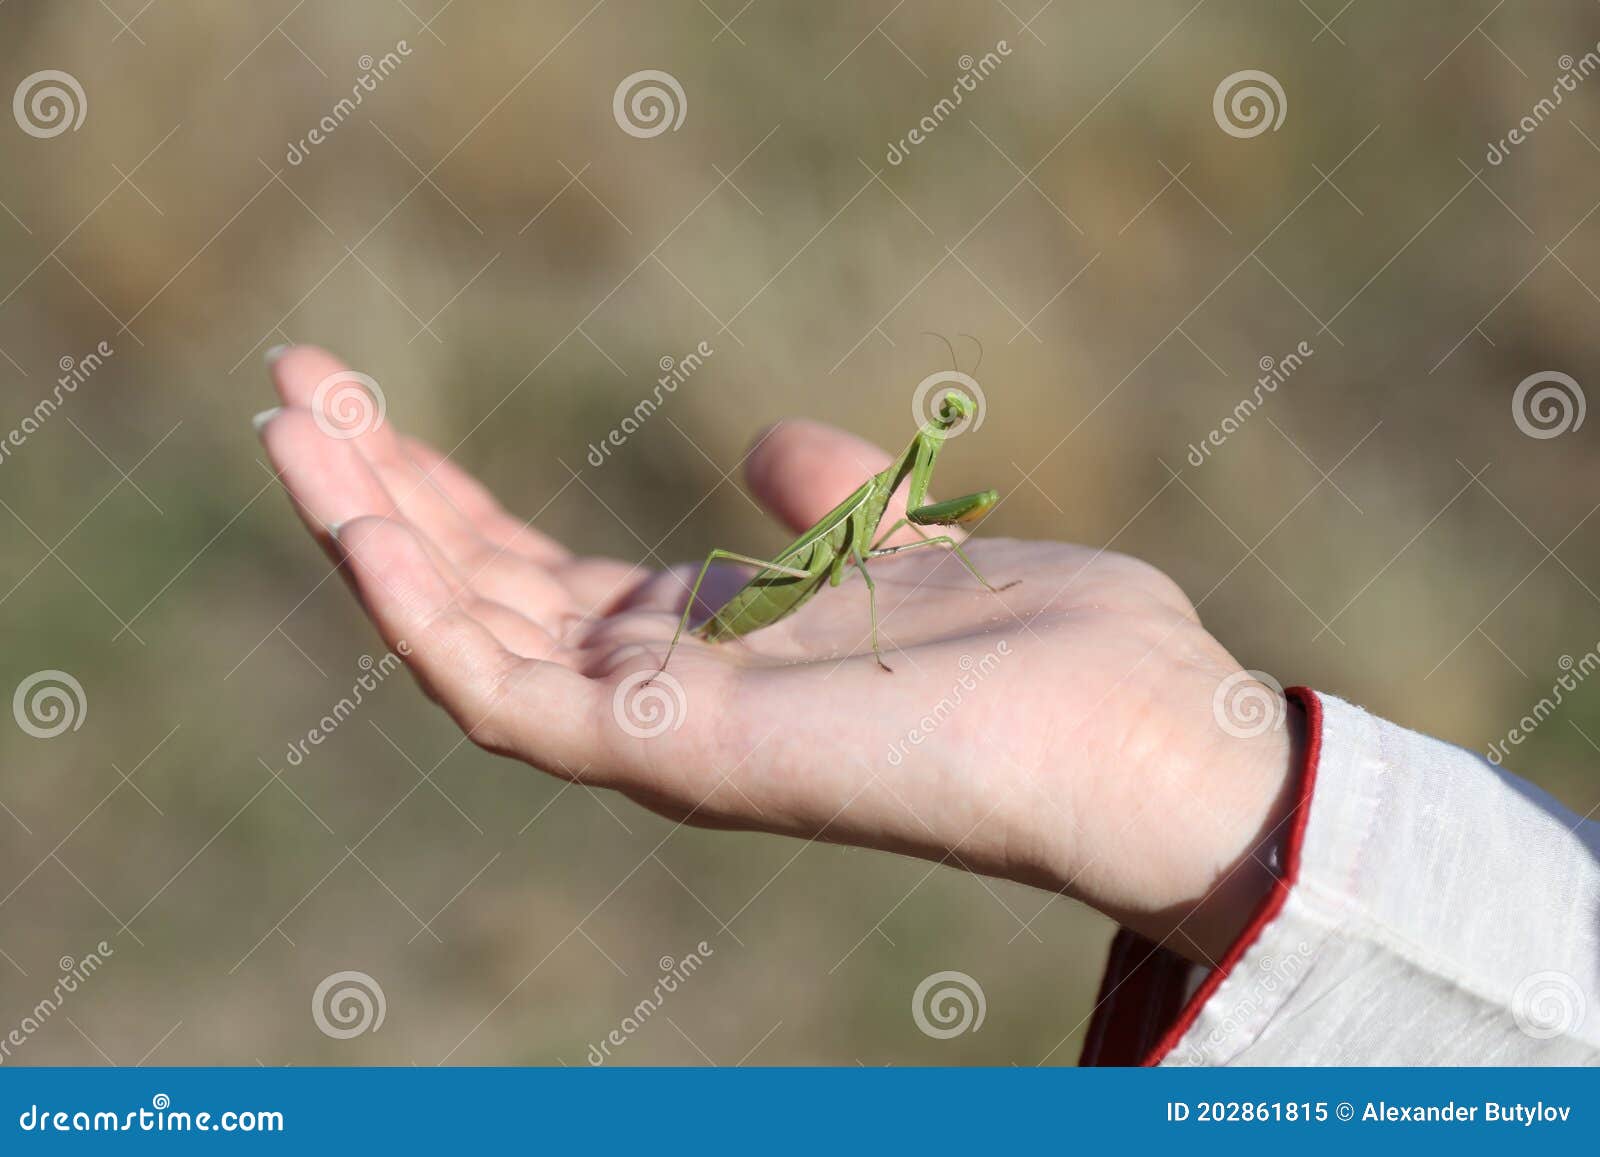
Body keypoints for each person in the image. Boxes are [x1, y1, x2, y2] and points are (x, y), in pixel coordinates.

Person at [255, 345, 1599, 1065]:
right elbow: (858, 571)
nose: (943, 444)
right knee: (810, 569)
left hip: (804, 587)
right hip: (772, 595)